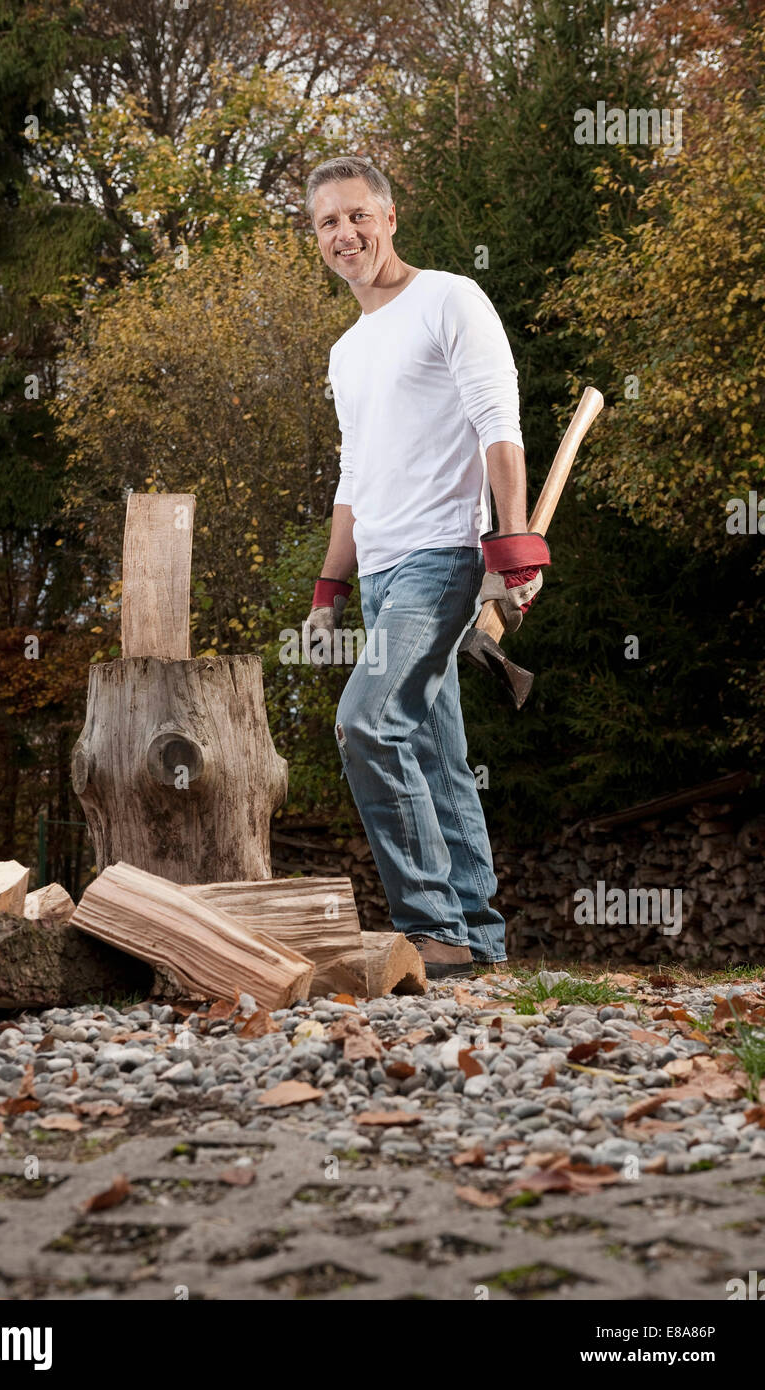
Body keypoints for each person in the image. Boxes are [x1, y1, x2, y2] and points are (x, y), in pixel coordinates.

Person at [302, 155, 549, 978]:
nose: (345, 234)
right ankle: (476, 939)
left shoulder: (449, 298)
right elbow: (355, 473)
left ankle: (431, 927)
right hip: (379, 574)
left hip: (441, 559)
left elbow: (497, 422)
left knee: (366, 722)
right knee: (438, 758)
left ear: (390, 217)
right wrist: (330, 587)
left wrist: (513, 543)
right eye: (328, 222)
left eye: (358, 215)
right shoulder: (346, 351)